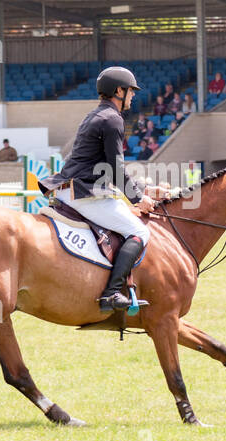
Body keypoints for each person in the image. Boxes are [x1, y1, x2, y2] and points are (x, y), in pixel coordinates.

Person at [39, 66, 157, 313]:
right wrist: (138, 199)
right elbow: (115, 166)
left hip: (70, 187)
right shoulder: (113, 119)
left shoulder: (96, 115)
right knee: (139, 232)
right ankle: (112, 293)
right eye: (130, 91)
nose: (133, 96)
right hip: (84, 192)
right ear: (118, 91)